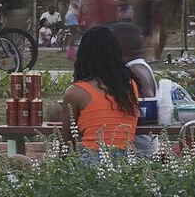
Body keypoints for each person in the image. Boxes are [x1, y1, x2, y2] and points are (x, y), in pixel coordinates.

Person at [55, 26, 140, 159]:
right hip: (127, 163)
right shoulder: (130, 87)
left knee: (17, 160)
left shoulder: (76, 92)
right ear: (116, 53)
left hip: (91, 162)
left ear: (83, 55)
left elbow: (66, 144)